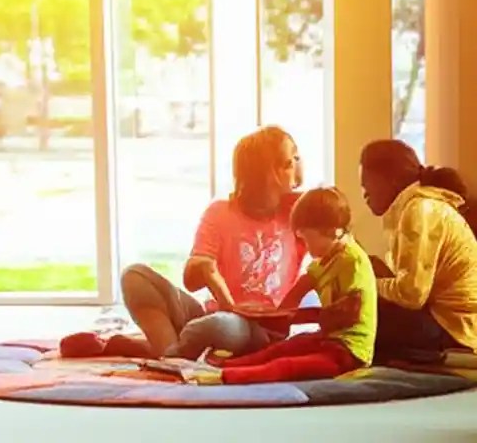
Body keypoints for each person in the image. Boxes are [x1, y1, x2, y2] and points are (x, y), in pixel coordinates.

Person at [63, 126, 308, 360]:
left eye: (298, 157)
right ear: (263, 173)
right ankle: (170, 351)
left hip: (259, 331)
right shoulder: (220, 212)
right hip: (210, 315)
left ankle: (160, 353)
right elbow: (190, 282)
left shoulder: (301, 214)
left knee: (218, 327)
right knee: (135, 276)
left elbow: (338, 245)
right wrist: (203, 267)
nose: (298, 166)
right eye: (289, 162)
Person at [191, 187, 375, 385]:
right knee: (283, 349)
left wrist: (302, 316)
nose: (304, 244)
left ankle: (223, 377)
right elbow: (297, 293)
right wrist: (274, 320)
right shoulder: (324, 261)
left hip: (349, 352)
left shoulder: (351, 261)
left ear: (329, 231)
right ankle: (221, 366)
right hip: (328, 340)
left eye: (306, 237)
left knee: (287, 366)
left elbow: (349, 313)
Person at [359, 139, 477, 360]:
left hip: (455, 328)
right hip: (443, 319)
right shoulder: (417, 206)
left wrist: (366, 284)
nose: (364, 193)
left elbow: (412, 294)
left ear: (390, 180)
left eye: (367, 184)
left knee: (360, 314)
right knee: (367, 266)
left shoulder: (420, 210)